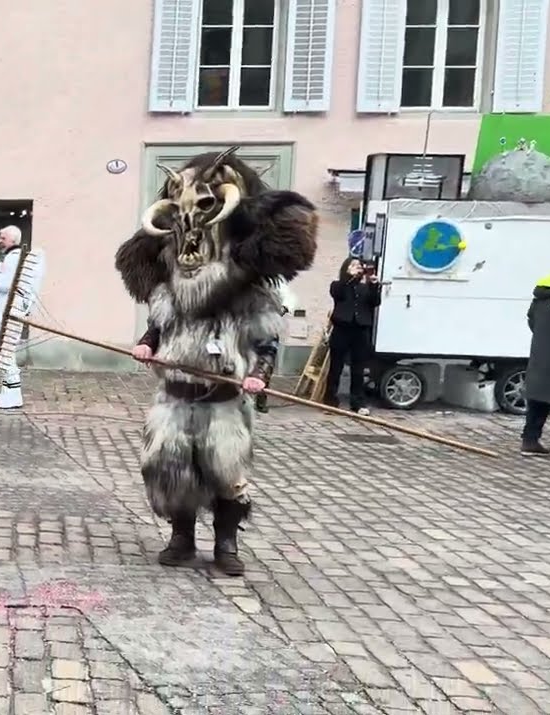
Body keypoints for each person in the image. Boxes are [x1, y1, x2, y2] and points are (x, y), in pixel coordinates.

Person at [118, 148, 317, 576]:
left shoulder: (247, 290)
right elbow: (158, 326)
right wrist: (147, 344)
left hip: (224, 399)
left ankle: (226, 545)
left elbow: (265, 342)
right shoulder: (169, 289)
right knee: (171, 471)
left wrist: (260, 377)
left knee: (228, 474)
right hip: (173, 399)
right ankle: (181, 538)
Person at [0, 225, 46, 410]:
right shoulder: (10, 258)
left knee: (5, 352)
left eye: (3, 238)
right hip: (3, 311)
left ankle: (14, 395)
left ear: (13, 240)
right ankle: (7, 391)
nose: (0, 240)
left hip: (9, 313)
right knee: (2, 351)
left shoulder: (14, 259)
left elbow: (5, 284)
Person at [323, 256, 381, 416]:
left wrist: (374, 285)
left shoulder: (365, 287)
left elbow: (375, 302)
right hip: (342, 329)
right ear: (346, 268)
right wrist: (350, 277)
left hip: (361, 330)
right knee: (336, 367)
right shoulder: (338, 285)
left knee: (358, 369)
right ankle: (330, 401)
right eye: (353, 265)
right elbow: (338, 294)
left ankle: (357, 403)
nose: (357, 267)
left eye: (359, 265)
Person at [522, 271, 550, 456]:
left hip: (542, 355)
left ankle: (529, 441)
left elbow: (532, 321)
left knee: (538, 400)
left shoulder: (542, 296)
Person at [254, 279, 297, 414]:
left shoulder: (277, 280)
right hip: (247, 329)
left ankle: (261, 398)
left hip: (269, 330)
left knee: (266, 367)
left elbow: (290, 298)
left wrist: (282, 309)